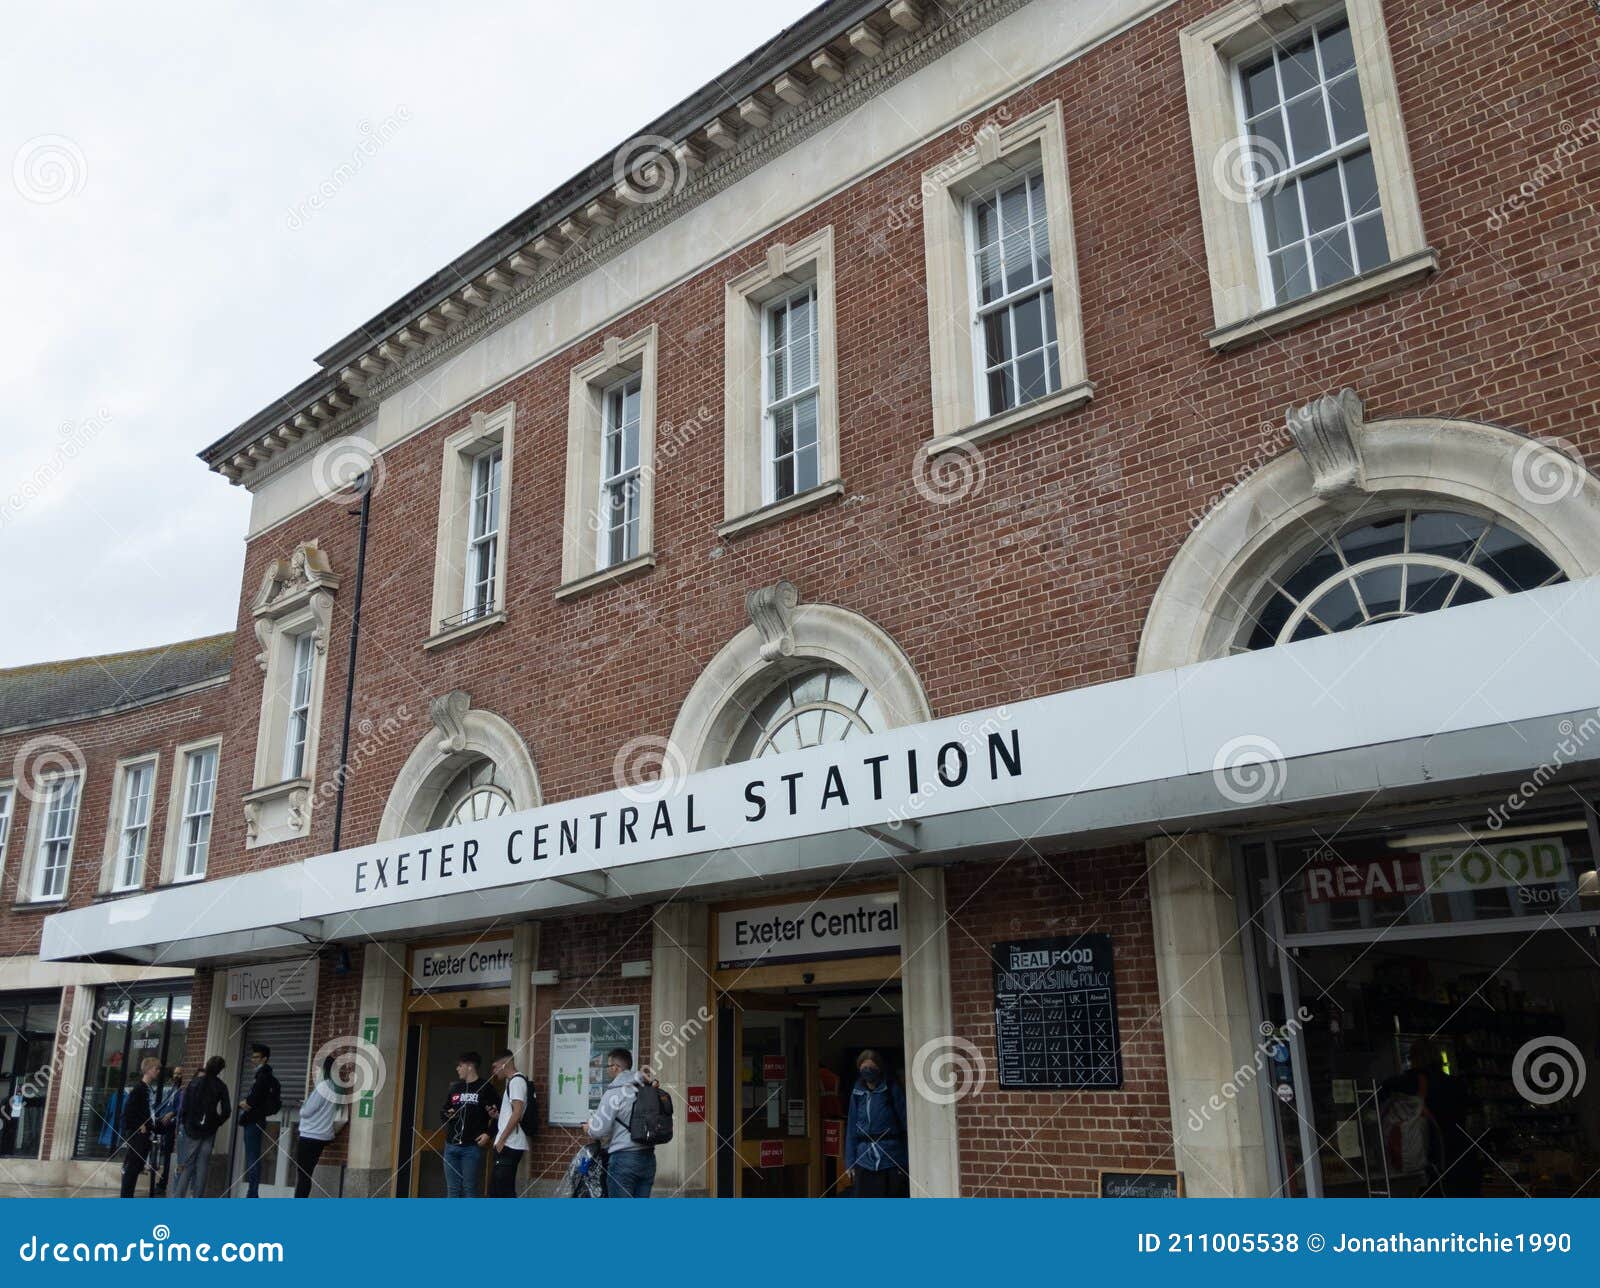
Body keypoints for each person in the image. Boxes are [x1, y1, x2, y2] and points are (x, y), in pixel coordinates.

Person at [1381, 1040, 1479, 1197]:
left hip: (1432, 1162)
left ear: (1414, 1058)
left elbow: (1379, 1096)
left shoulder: (1406, 1082)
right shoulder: (1456, 1083)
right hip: (1463, 1159)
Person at [585, 1048, 655, 1198]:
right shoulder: (645, 1087)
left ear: (616, 1067)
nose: (608, 1070)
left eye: (608, 1066)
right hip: (648, 1158)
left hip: (623, 1159)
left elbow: (599, 1131)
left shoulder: (614, 1092)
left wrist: (589, 1128)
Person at [842, 1049, 908, 1197]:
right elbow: (852, 1127)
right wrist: (850, 1162)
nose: (867, 1071)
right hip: (864, 1160)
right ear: (859, 1069)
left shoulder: (891, 1090)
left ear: (879, 1068)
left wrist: (905, 1161)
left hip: (891, 1157)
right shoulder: (857, 1092)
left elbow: (905, 1124)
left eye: (871, 1067)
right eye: (864, 1067)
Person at [440, 1051, 498, 1197]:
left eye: (460, 1066)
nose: (457, 1069)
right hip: (451, 1146)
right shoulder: (455, 1088)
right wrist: (448, 1114)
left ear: (470, 1066)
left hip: (471, 1148)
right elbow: (443, 1111)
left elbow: (501, 1114)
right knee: (452, 1190)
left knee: (469, 1189)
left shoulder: (486, 1088)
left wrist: (489, 1133)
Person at [173, 1056, 229, 1197]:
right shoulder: (221, 1086)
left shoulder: (194, 1083)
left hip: (192, 1129)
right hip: (209, 1130)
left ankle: (178, 1198)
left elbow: (184, 1107)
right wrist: (217, 1122)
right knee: (203, 1166)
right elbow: (226, 1111)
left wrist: (186, 1124)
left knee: (188, 1165)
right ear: (220, 1070)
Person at [293, 1056, 343, 1198]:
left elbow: (306, 1112)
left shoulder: (323, 1086)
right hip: (322, 1136)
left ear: (324, 1070)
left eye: (318, 1069)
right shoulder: (336, 1088)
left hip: (309, 1136)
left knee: (303, 1176)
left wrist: (303, 1105)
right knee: (307, 1174)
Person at [237, 1043, 281, 1199]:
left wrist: (244, 1103)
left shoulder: (262, 1078)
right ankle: (253, 1192)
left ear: (265, 1059)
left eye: (256, 1057)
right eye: (252, 1056)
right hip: (258, 1120)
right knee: (253, 1156)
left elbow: (251, 1102)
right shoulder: (265, 1077)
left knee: (252, 1157)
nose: (252, 1060)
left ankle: (252, 1194)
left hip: (254, 1121)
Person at [487, 1049, 530, 1197]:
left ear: (504, 1064)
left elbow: (517, 1113)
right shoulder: (514, 1082)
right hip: (508, 1143)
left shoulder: (516, 1081)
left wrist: (502, 1140)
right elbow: (513, 1113)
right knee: (497, 1190)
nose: (494, 1071)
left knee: (503, 1191)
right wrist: (499, 1115)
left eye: (495, 1066)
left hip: (510, 1144)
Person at [118, 1057, 162, 1198]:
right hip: (138, 1136)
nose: (158, 1071)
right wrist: (139, 1126)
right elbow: (127, 1113)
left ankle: (127, 1196)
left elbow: (149, 1112)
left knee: (136, 1167)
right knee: (133, 1167)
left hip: (146, 1134)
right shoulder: (139, 1090)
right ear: (148, 1070)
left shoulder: (148, 1090)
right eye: (156, 1069)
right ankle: (126, 1197)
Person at [148, 1066, 185, 1196]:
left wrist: (172, 1113)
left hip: (173, 1127)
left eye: (179, 1074)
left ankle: (164, 1183)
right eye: (175, 1074)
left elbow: (181, 1108)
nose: (176, 1076)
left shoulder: (182, 1091)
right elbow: (164, 1105)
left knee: (169, 1155)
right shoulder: (173, 1090)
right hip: (164, 1124)